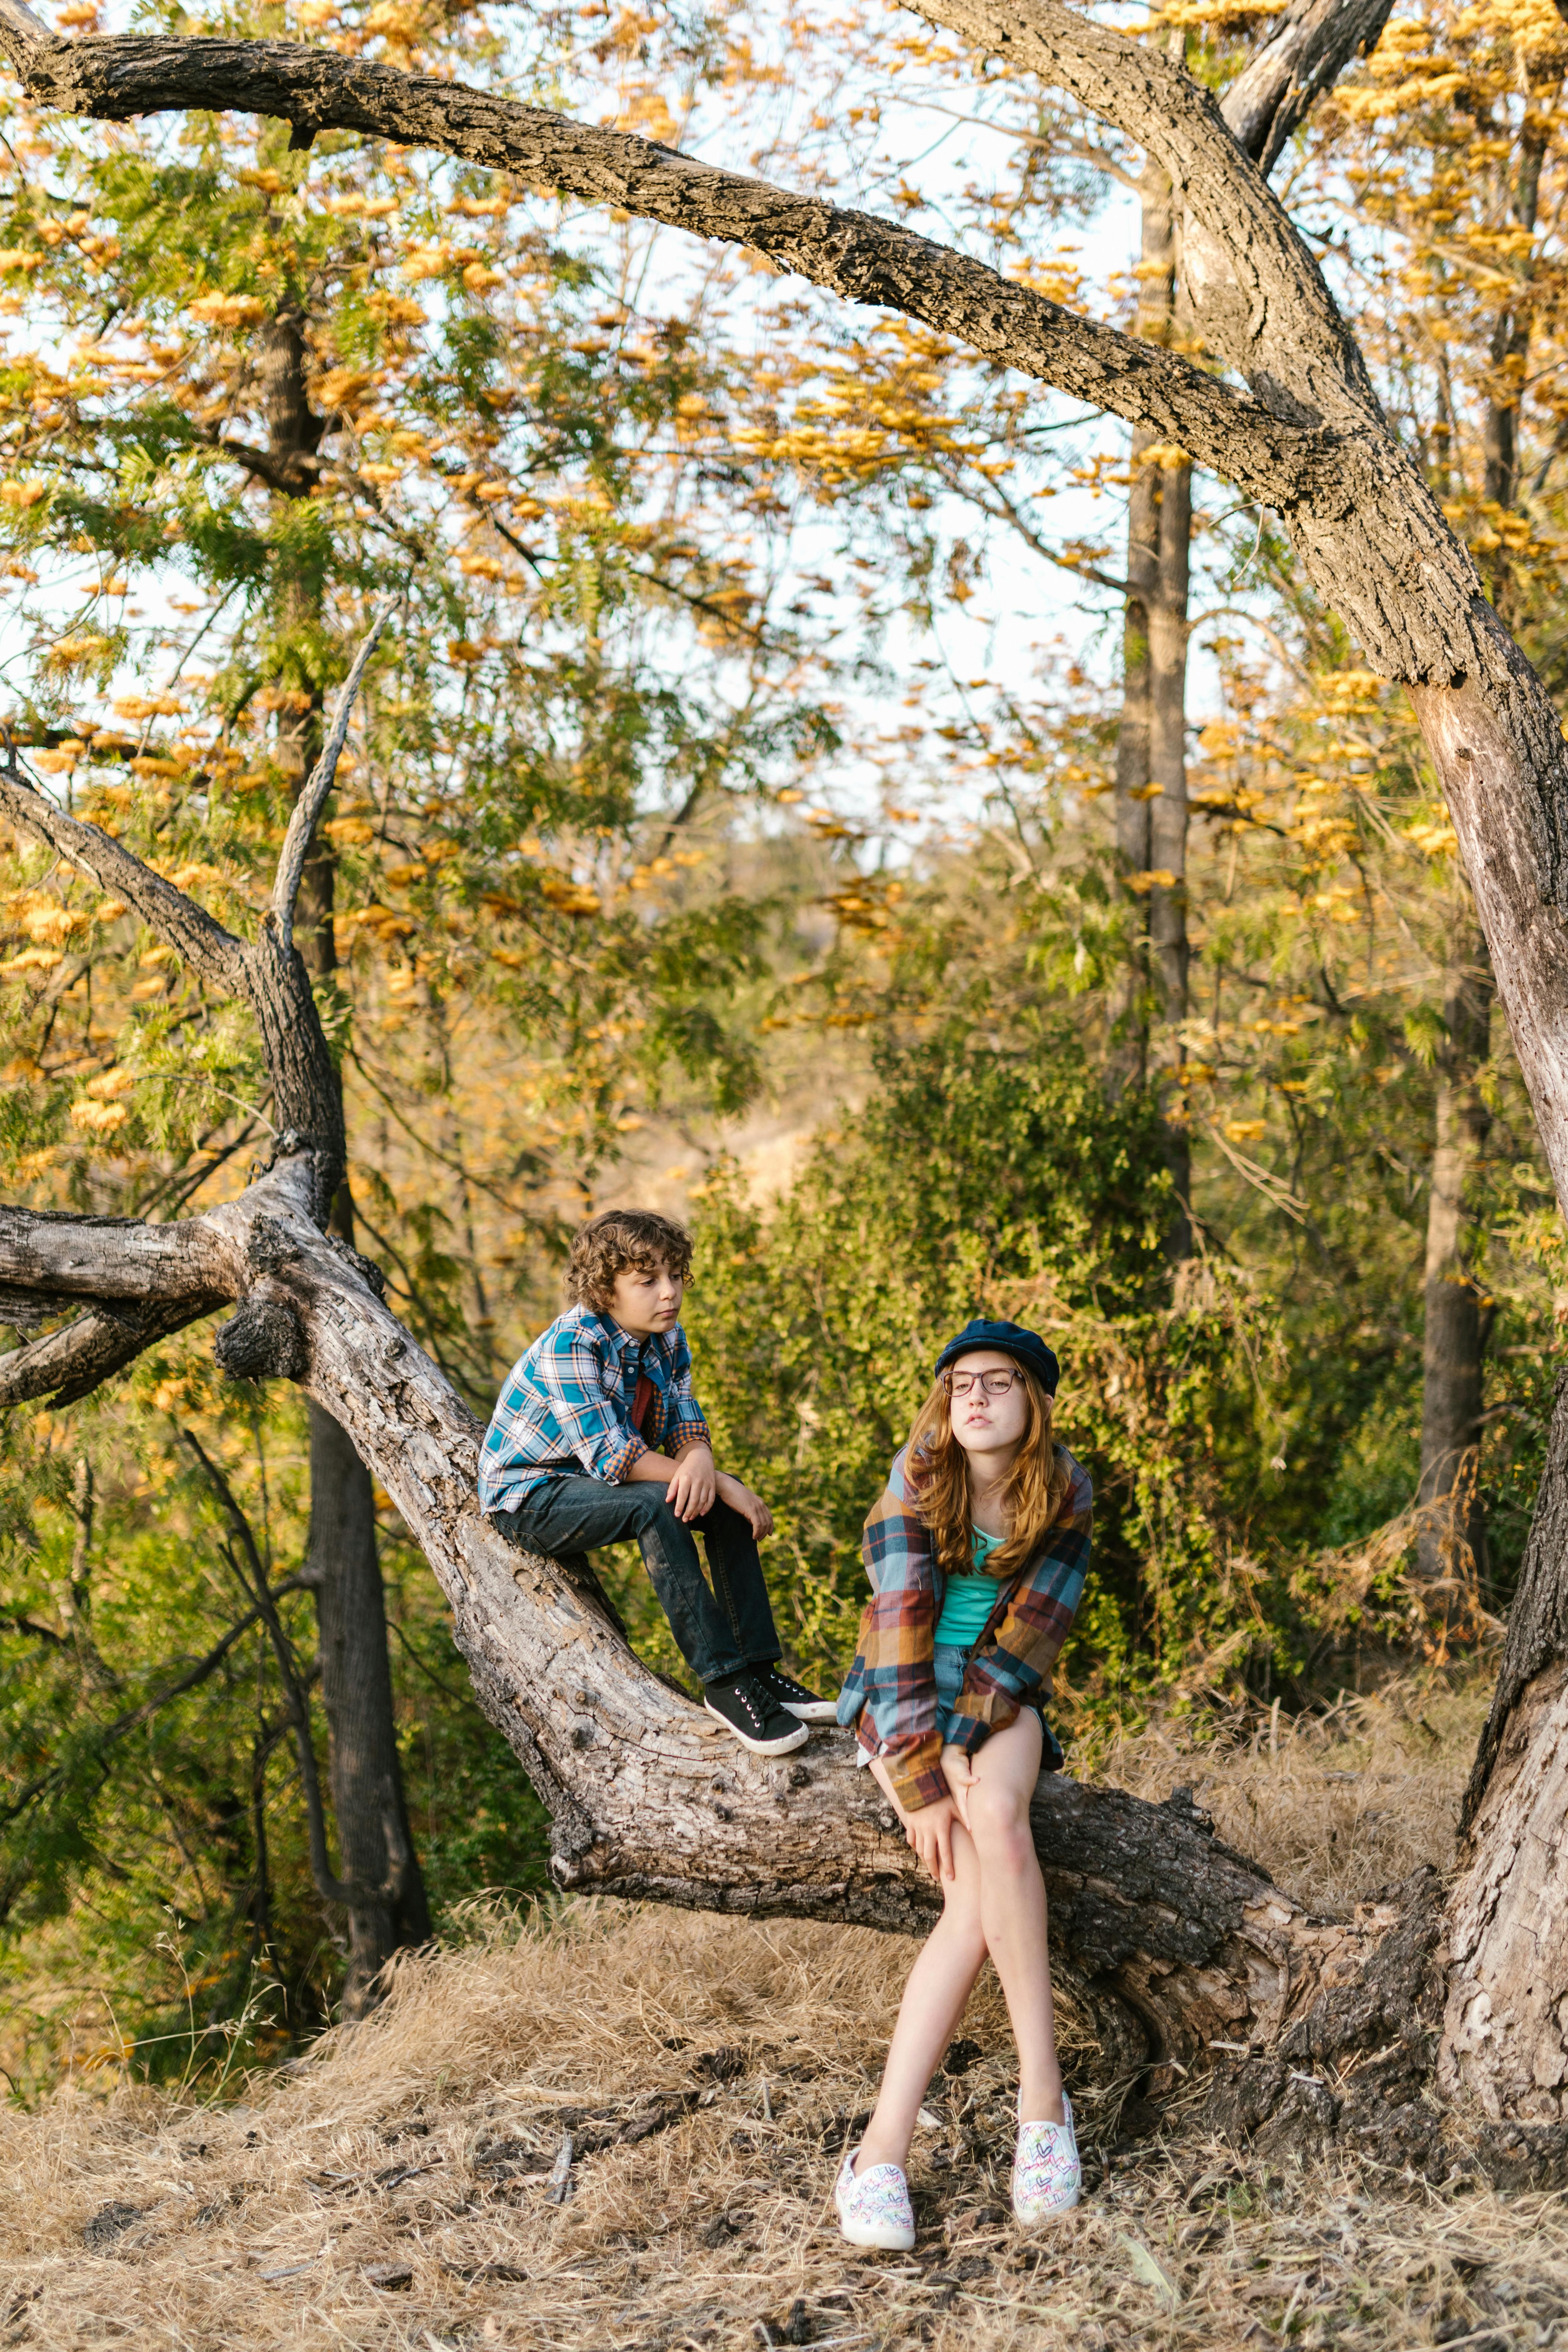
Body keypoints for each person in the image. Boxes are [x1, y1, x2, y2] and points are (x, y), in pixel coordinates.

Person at [833, 1318, 1093, 2247]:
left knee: (1002, 1814)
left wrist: (969, 1737)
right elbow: (897, 1629)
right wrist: (920, 1775)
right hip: (901, 1694)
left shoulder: (1063, 1486)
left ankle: (1038, 2108)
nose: (975, 1397)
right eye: (960, 1384)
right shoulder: (919, 1476)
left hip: (995, 1689)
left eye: (999, 1382)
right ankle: (881, 2152)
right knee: (969, 1902)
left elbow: (1034, 1633)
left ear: (1032, 1402)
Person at [479, 1207, 835, 1757]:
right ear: (606, 1291)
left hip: (604, 1480)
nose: (668, 1293)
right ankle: (723, 1681)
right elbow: (611, 1457)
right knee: (658, 1505)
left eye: (675, 1276)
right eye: (648, 1282)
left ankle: (761, 1671)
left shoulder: (665, 1337)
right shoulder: (570, 1346)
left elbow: (686, 1425)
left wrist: (707, 1467)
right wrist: (714, 1478)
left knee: (723, 1504)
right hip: (533, 1497)